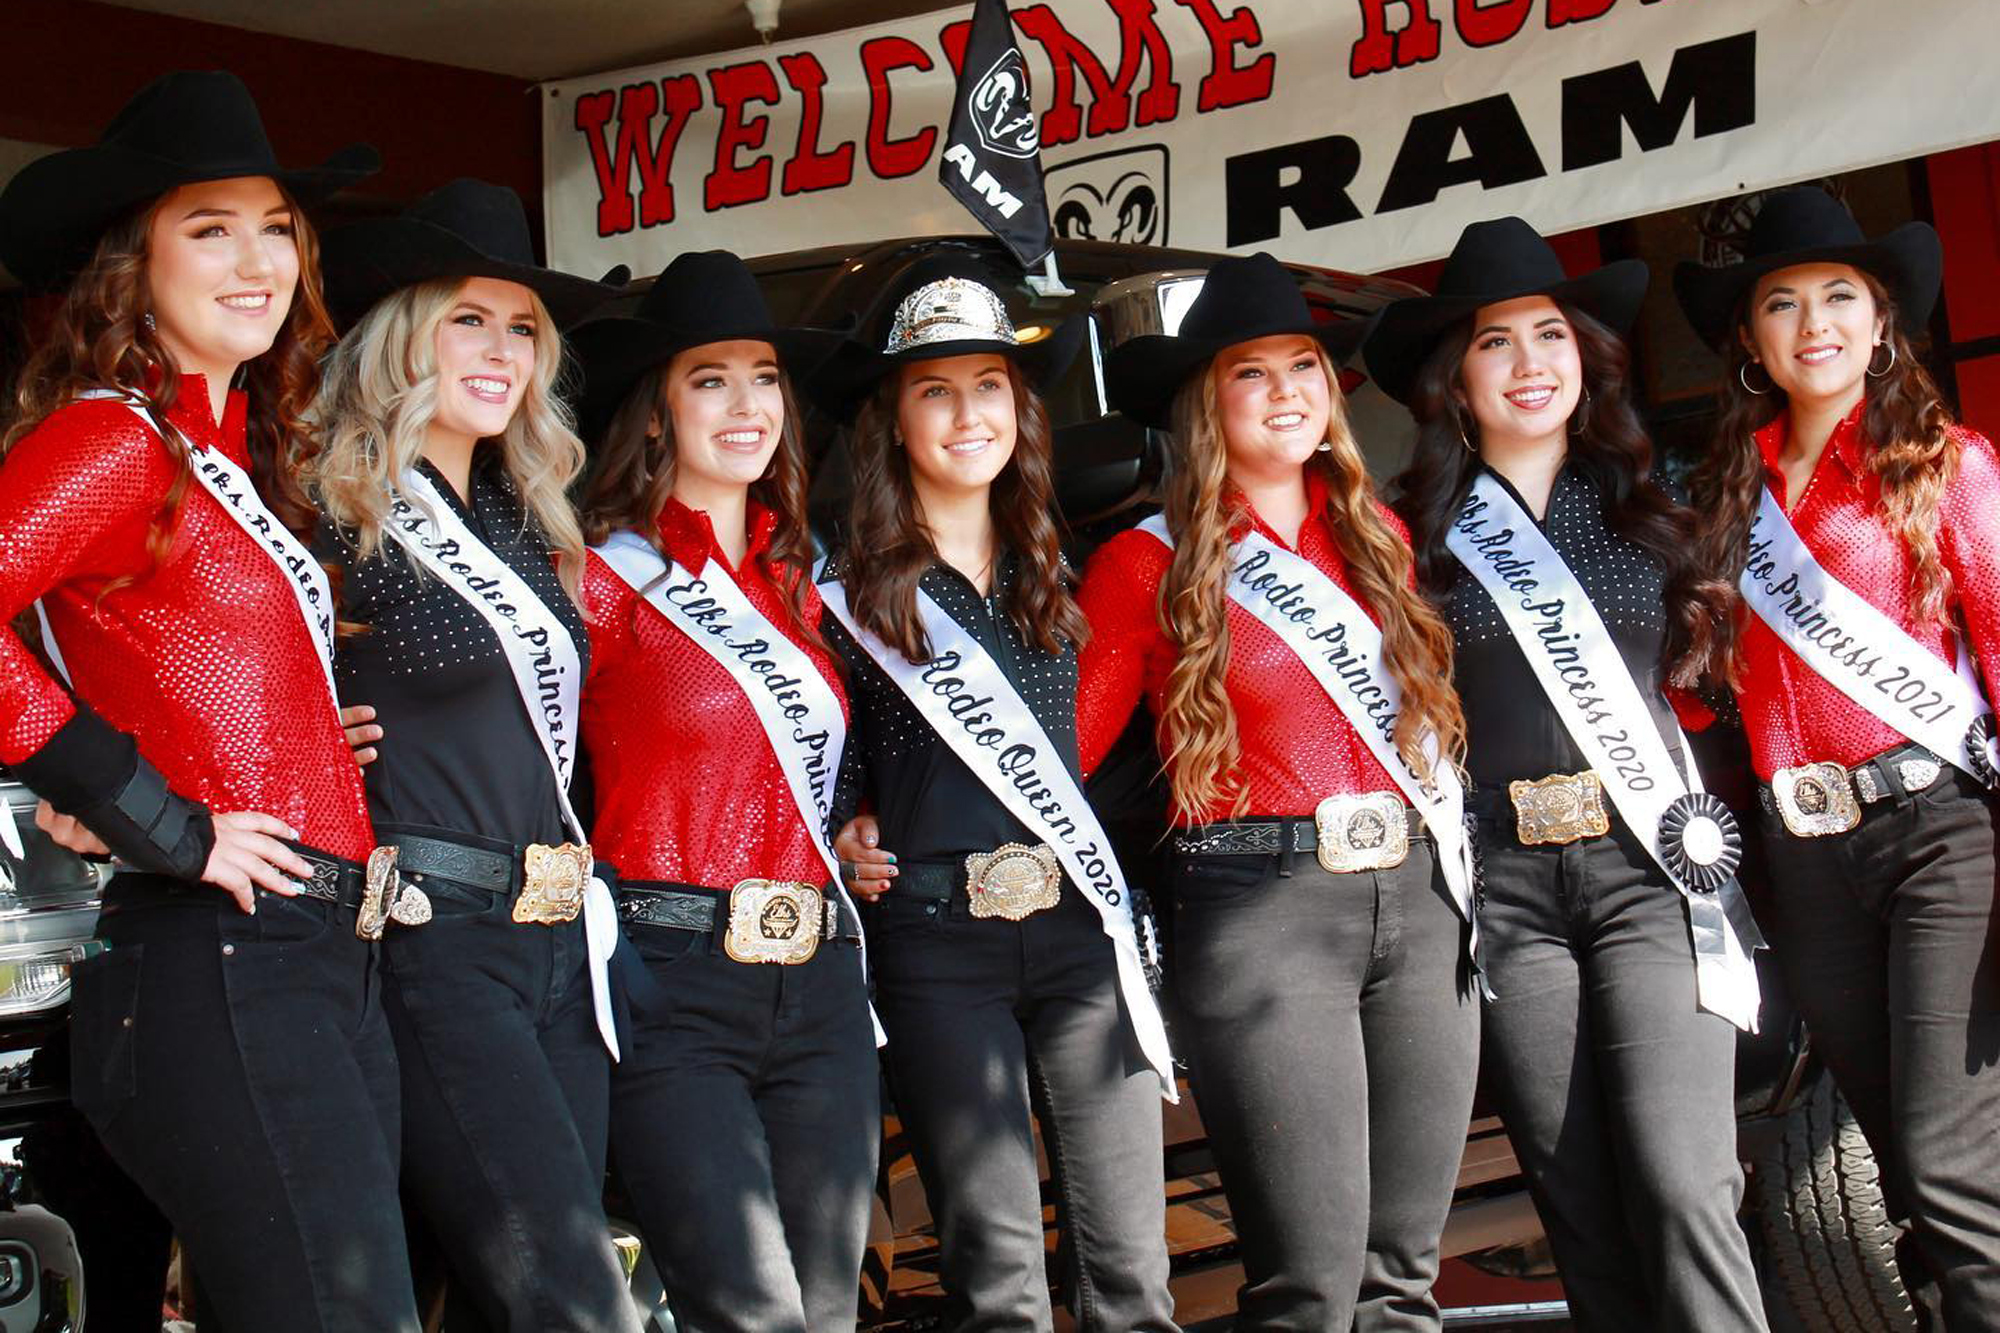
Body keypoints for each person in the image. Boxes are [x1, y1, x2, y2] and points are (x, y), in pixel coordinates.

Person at [0, 71, 426, 1330]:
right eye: (210, 228)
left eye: (276, 228)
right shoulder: (111, 438)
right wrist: (148, 810)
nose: (258, 261)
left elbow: (173, 663)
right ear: (130, 265)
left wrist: (302, 734)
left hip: (317, 959)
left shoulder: (227, 450)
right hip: (220, 960)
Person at [1367, 217, 1767, 1331]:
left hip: (1648, 874)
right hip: (1503, 896)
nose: (1530, 363)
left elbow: (1721, 700)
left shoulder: (1653, 513)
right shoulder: (1402, 539)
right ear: (1453, 378)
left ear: (1586, 354)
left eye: (1550, 335)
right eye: (1496, 343)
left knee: (1685, 1184)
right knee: (1578, 1204)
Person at [1080, 251, 1475, 1330]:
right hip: (1262, 910)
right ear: (1205, 403)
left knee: (1400, 1282)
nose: (1291, 389)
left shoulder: (1379, 540)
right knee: (1307, 1285)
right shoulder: (1139, 564)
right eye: (1252, 372)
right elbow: (1052, 754)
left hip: (1421, 901)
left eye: (1303, 364)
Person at [819, 255, 1178, 1333]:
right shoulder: (836, 587)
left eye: (988, 386)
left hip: (1077, 930)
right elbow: (819, 756)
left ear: (1021, 412)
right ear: (891, 420)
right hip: (934, 942)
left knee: (1130, 1270)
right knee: (996, 1273)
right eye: (934, 389)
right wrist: (845, 826)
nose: (965, 412)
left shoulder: (1062, 573)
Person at [306, 178, 636, 1333]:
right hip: (433, 946)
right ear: (403, 336)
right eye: (468, 318)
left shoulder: (526, 510)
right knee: (571, 1297)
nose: (501, 351)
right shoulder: (329, 511)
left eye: (522, 328)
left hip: (559, 950)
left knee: (516, 1302)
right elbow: (203, 662)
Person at [1677, 185, 2000, 1329]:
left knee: (1948, 1156)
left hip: (1936, 839)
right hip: (1803, 860)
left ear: (1877, 322)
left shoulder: (1943, 465)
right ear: (1752, 342)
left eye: (1836, 297)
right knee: (1913, 1170)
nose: (1811, 322)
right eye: (1781, 304)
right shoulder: (1722, 497)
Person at [570, 250, 878, 1333]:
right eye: (709, 379)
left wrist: (860, 823)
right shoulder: (599, 579)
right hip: (669, 978)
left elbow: (833, 764)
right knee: (750, 1312)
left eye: (762, 377)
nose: (746, 404)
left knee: (827, 1313)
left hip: (824, 986)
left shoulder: (804, 581)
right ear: (654, 415)